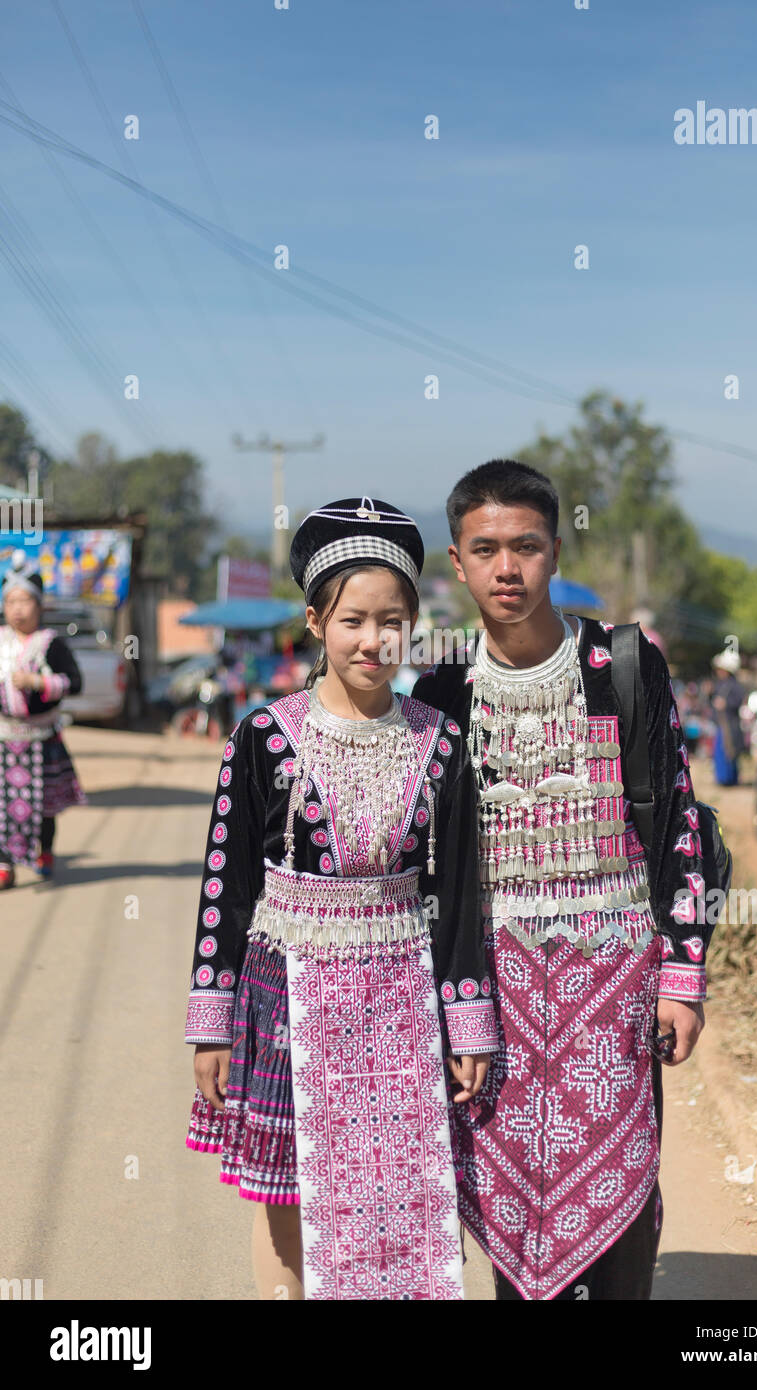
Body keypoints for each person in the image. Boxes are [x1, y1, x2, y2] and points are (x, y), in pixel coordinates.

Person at [413, 460, 715, 1301]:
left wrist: (682, 978)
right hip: (495, 989)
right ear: (457, 561)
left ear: (555, 549)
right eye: (486, 549)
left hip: (616, 988)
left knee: (622, 1194)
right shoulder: (440, 691)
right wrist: (451, 1001)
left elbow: (682, 821)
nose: (507, 569)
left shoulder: (621, 663)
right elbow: (436, 870)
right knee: (512, 1207)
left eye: (526, 547)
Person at [184, 496, 495, 1301]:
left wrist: (468, 1018)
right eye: (354, 619)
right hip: (285, 995)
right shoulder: (262, 737)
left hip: (403, 1004)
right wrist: (210, 1027)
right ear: (317, 621)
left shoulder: (440, 741)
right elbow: (227, 889)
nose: (373, 640)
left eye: (392, 621)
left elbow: (460, 892)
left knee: (403, 1195)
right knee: (292, 1194)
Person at [0, 550, 86, 887]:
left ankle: (44, 850)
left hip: (41, 738)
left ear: (40, 606)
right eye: (11, 601)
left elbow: (74, 682)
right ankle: (5, 863)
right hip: (4, 738)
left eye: (25, 601)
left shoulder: (50, 644)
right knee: (3, 806)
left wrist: (39, 683)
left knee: (43, 805)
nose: (18, 608)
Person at [710, 650, 746, 786]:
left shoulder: (734, 685)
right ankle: (722, 779)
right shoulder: (720, 684)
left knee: (731, 752)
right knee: (721, 753)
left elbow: (738, 701)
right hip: (721, 724)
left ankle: (730, 779)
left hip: (730, 725)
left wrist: (726, 704)